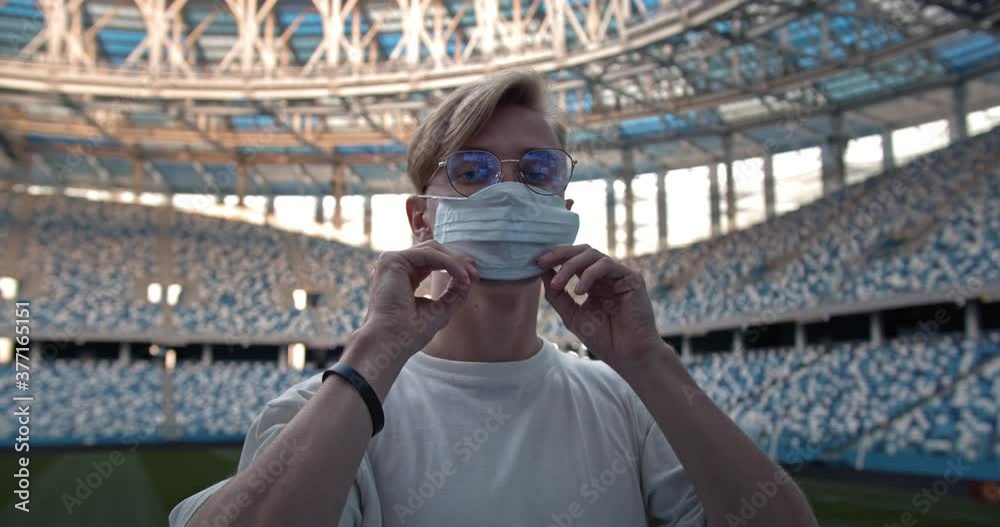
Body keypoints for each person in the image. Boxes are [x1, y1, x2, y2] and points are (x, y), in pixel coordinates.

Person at [170, 70, 818, 527]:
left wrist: (648, 359)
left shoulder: (627, 400)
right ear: (421, 218)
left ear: (563, 205)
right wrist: (372, 355)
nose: (509, 192)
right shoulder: (338, 409)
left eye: (538, 170)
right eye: (474, 171)